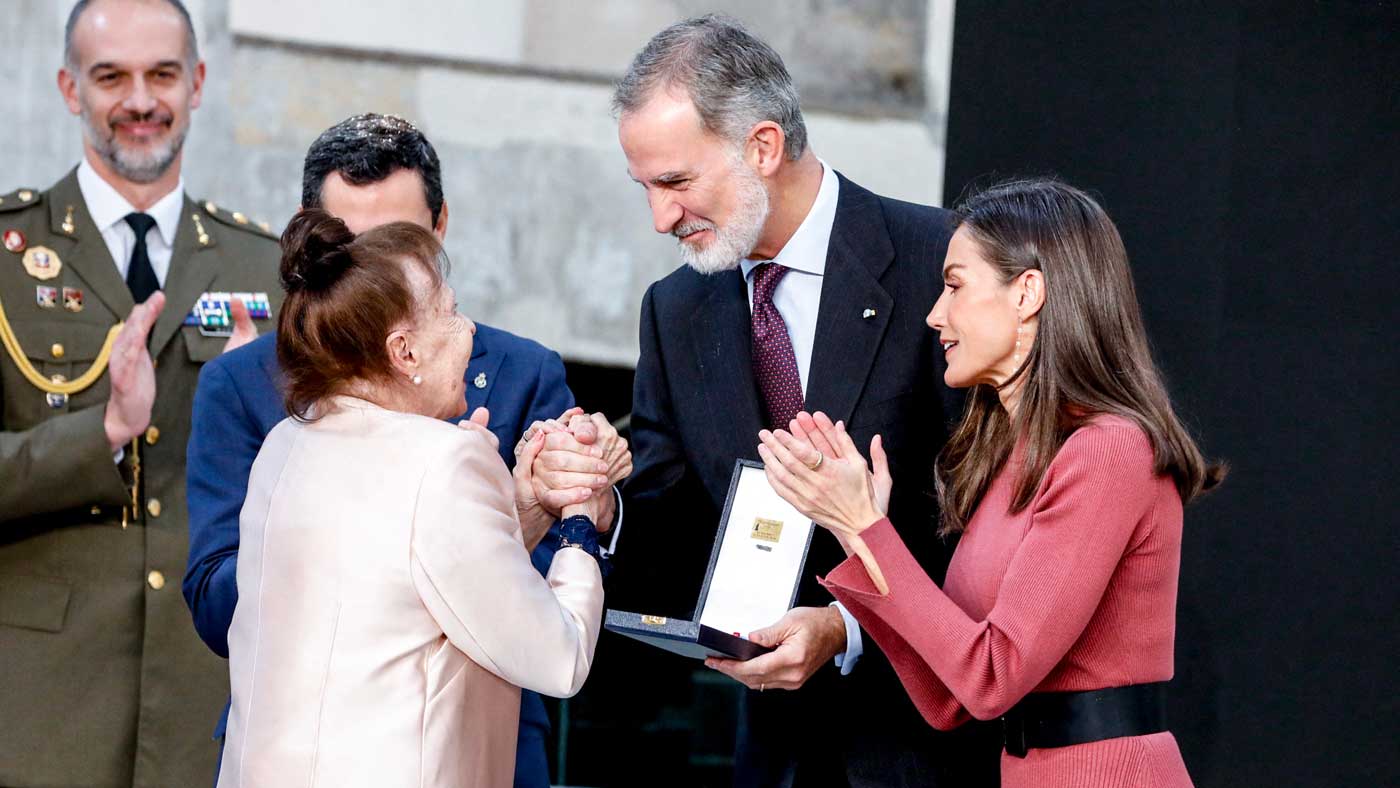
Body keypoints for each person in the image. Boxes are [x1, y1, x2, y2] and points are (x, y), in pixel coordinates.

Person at [608, 14, 999, 787]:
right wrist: (598, 508)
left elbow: (998, 525)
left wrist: (848, 627)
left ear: (763, 146)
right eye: (644, 188)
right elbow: (675, 527)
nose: (659, 219)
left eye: (676, 182)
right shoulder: (675, 310)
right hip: (772, 758)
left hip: (931, 751)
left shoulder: (945, 264)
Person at [183, 113, 629, 787]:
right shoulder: (249, 389)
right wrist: (570, 519)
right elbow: (549, 646)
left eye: (401, 244)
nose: (372, 279)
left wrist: (549, 497)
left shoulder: (293, 438)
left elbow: (469, 566)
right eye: (356, 250)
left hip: (484, 741)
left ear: (439, 225)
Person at [757, 178, 1224, 787]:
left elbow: (989, 676)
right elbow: (947, 697)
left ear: (1027, 292)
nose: (934, 314)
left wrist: (863, 526)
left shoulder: (1108, 449)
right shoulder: (1010, 454)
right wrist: (858, 537)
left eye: (954, 285)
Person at [0, 1, 277, 785]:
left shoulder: (260, 268)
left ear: (196, 83)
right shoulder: (8, 251)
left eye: (161, 74)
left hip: (201, 705)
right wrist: (105, 431)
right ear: (68, 88)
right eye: (110, 76)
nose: (141, 101)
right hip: (36, 709)